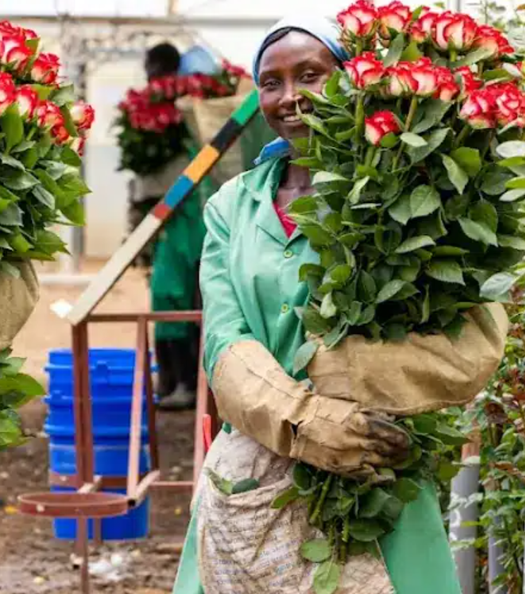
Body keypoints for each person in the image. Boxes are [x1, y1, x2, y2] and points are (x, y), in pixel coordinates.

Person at [171, 16, 466, 594]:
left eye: (310, 75)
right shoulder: (232, 205)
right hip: (256, 466)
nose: (289, 97)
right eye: (271, 82)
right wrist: (306, 422)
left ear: (353, 79)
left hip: (375, 463)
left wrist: (359, 403)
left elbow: (454, 326)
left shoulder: (399, 193)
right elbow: (225, 340)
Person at [138, 42, 208, 411]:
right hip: (170, 217)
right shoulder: (154, 115)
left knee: (188, 298)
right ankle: (171, 379)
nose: (152, 77)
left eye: (157, 69)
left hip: (191, 218)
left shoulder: (190, 112)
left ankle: (188, 382)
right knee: (166, 295)